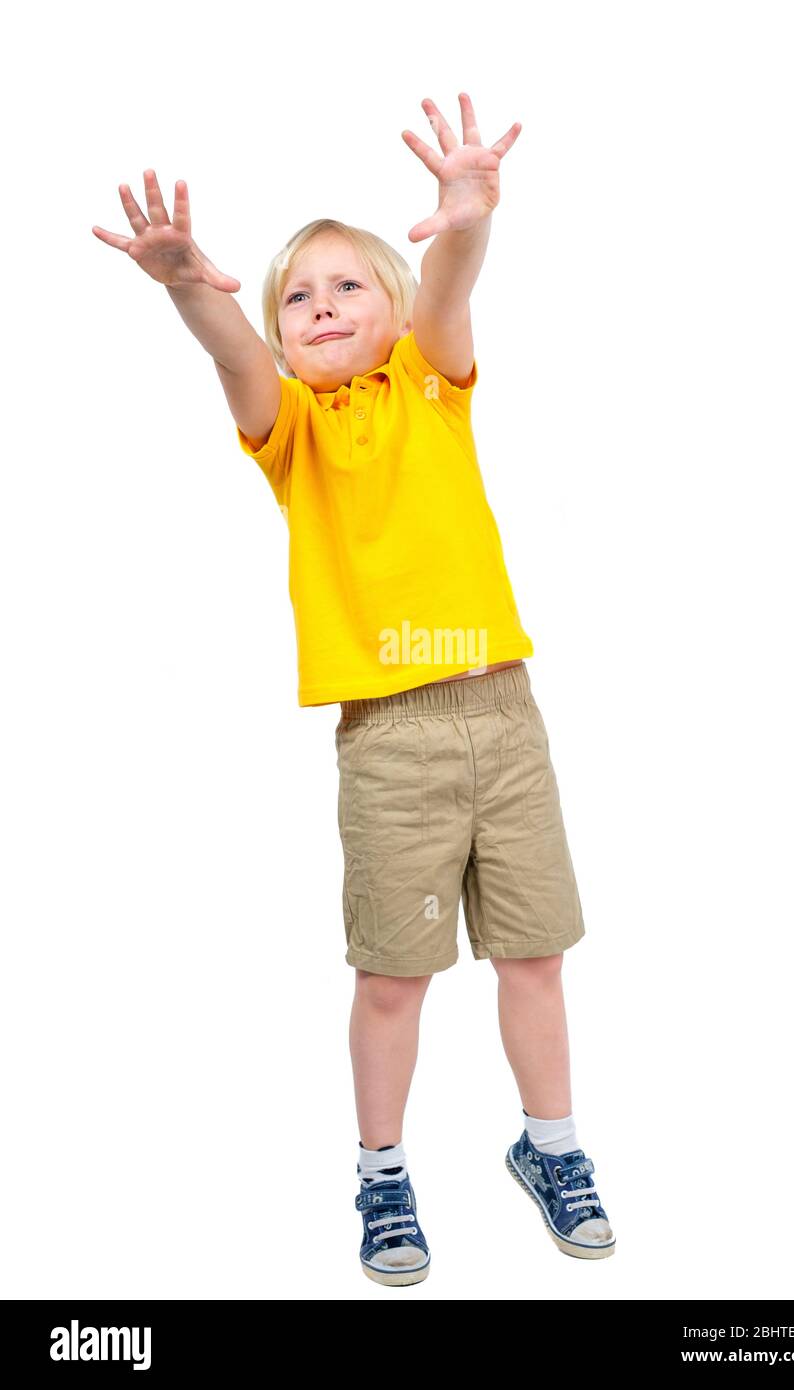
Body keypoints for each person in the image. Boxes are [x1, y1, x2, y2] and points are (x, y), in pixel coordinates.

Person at [92, 92, 615, 1287]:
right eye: (296, 296)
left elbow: (449, 289)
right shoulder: (291, 429)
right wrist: (190, 288)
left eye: (347, 288)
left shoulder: (434, 385)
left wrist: (468, 213)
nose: (321, 308)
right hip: (389, 740)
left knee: (533, 955)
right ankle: (381, 1170)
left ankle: (552, 1147)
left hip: (504, 714)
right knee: (394, 974)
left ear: (391, 309)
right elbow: (232, 353)